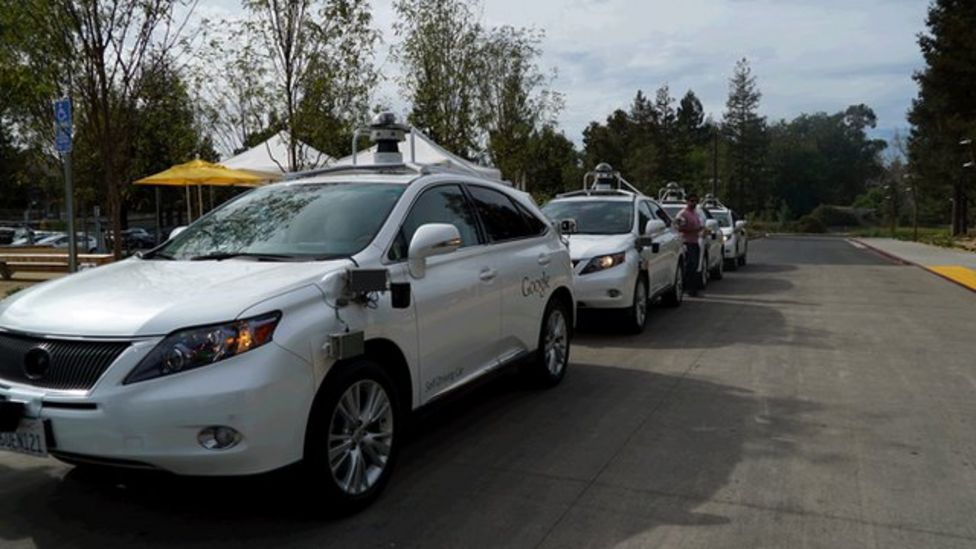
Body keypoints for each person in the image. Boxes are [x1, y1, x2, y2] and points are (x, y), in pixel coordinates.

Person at [675, 192, 703, 296]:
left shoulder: (695, 214)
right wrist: (692, 229)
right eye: (691, 201)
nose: (694, 203)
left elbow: (698, 226)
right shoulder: (682, 214)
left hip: (695, 242)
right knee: (689, 266)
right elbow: (678, 227)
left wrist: (701, 229)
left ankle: (693, 289)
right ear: (687, 201)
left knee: (695, 266)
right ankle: (687, 288)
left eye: (695, 201)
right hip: (686, 242)